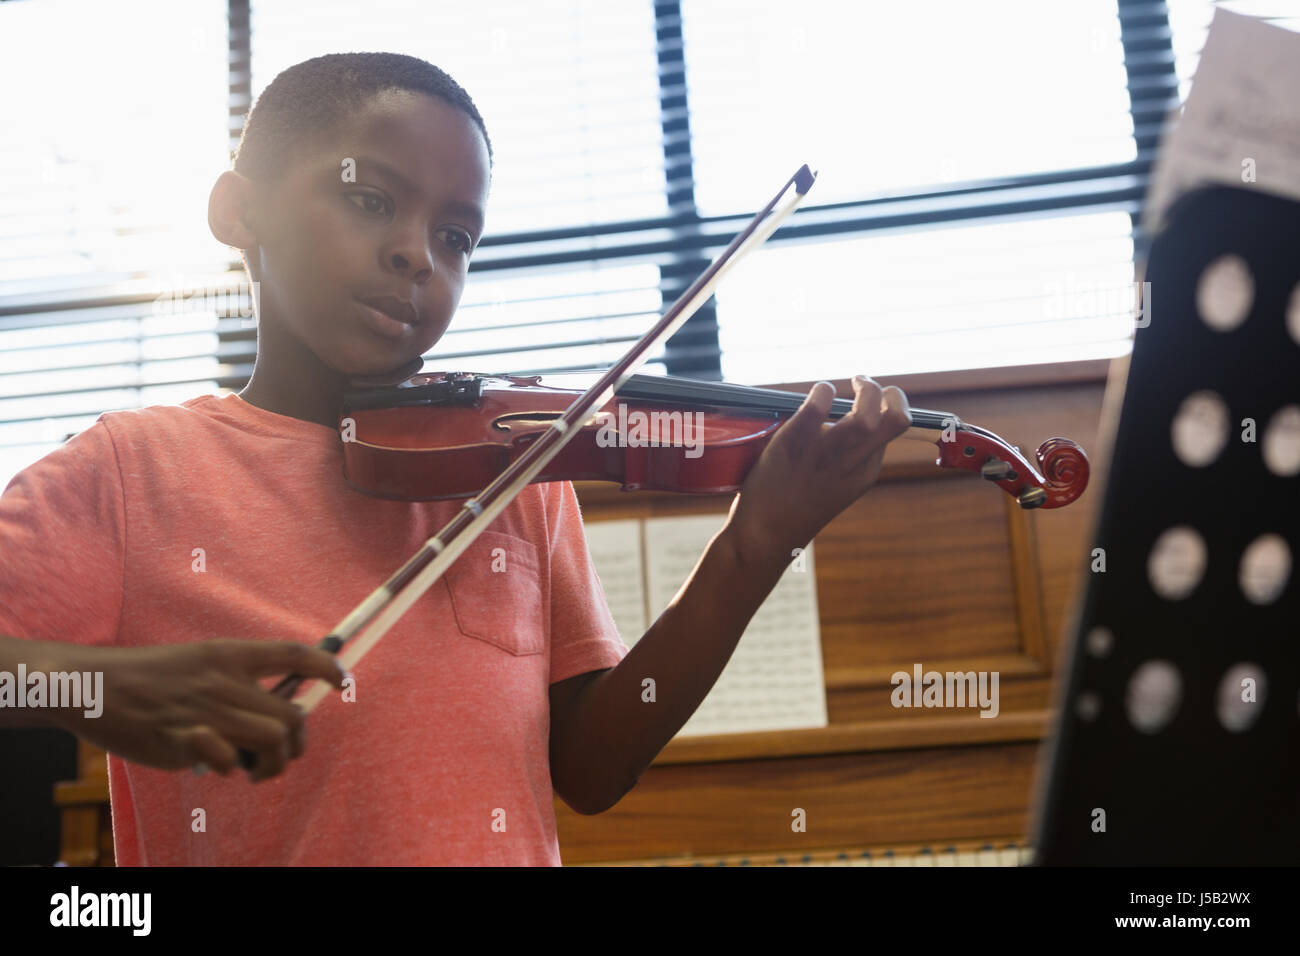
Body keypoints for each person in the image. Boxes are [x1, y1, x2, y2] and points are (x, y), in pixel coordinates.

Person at [0, 52, 910, 865]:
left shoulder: (518, 470)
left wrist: (756, 547)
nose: (416, 256)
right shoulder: (131, 471)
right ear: (240, 211)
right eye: (370, 200)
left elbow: (593, 768)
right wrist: (94, 684)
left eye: (456, 237)